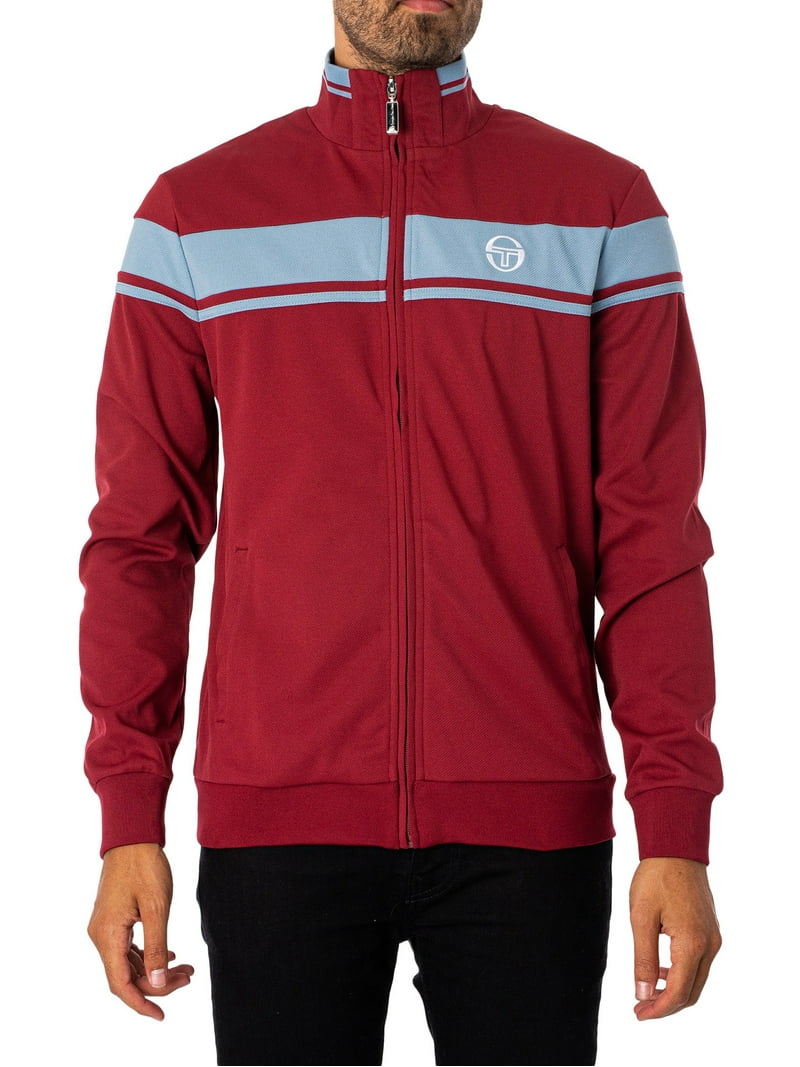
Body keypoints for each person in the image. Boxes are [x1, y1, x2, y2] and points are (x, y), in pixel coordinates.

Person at [80, 1, 723, 1064]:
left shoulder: (600, 206)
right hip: (276, 821)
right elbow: (139, 542)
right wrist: (127, 817)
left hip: (532, 822)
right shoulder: (196, 215)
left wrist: (676, 825)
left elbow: (653, 541)